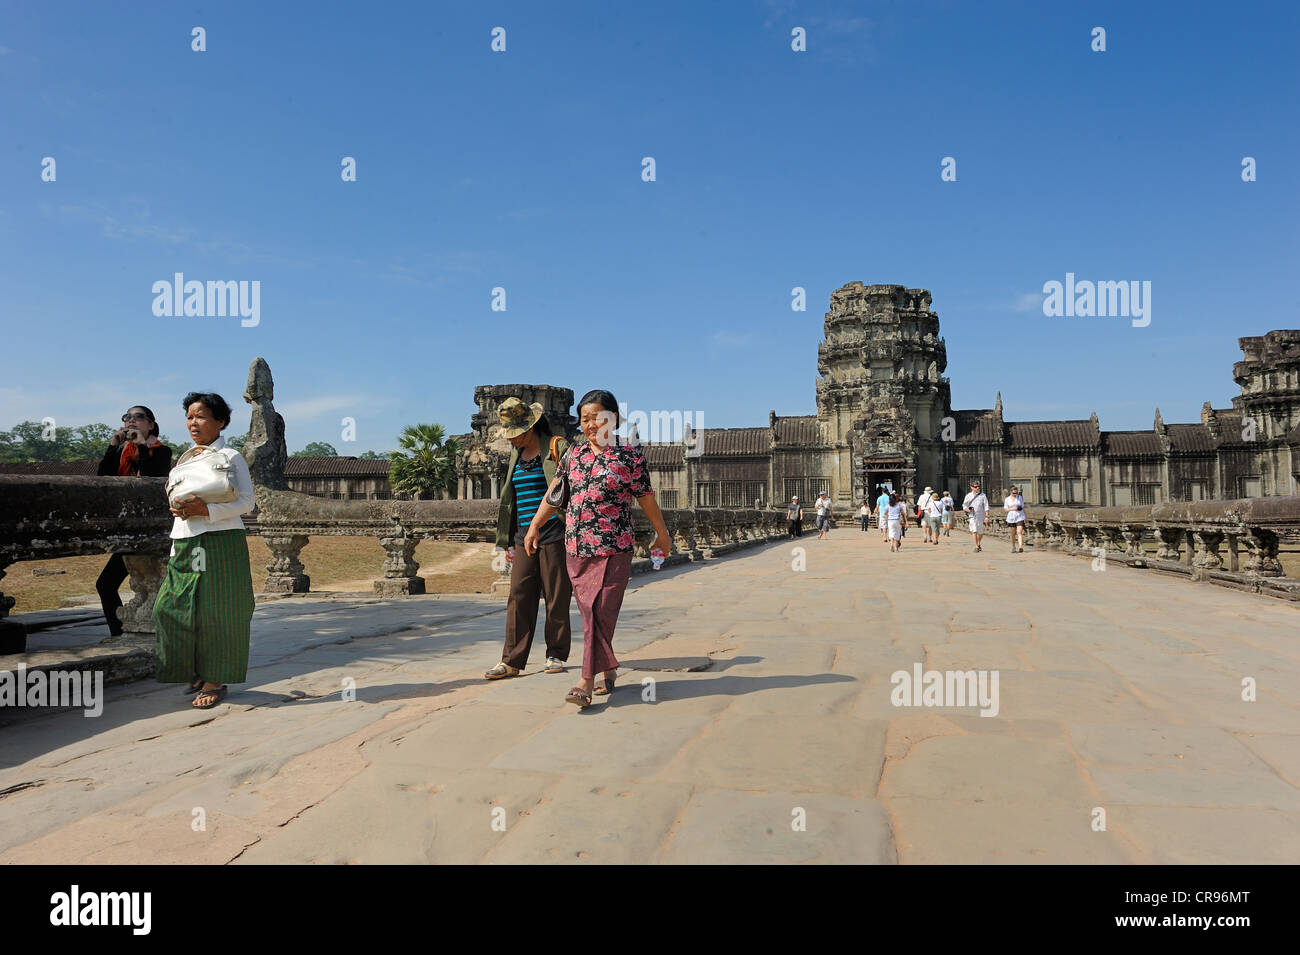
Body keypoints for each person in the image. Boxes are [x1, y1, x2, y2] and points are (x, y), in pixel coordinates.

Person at [524, 389, 670, 710]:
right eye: (585, 419)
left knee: (600, 612)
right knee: (591, 613)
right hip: (577, 547)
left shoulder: (629, 457)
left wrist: (662, 534)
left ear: (613, 419)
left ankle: (584, 681)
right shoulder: (573, 455)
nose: (590, 425)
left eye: (598, 417)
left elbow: (646, 498)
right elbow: (555, 494)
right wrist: (535, 526)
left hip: (615, 547)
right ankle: (608, 667)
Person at [152, 393, 255, 709]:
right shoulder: (184, 461)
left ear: (220, 422)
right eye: (189, 416)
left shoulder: (231, 457)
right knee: (167, 609)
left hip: (221, 542)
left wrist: (206, 511)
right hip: (184, 542)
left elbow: (247, 503)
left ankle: (214, 680)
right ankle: (194, 670)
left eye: (200, 416)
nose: (193, 423)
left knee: (219, 613)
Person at [485, 398, 573, 680]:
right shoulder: (516, 454)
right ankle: (511, 660)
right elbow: (512, 499)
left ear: (531, 427)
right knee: (518, 595)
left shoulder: (556, 447)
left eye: (515, 434)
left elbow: (570, 487)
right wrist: (507, 539)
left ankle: (556, 654)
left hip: (555, 533)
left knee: (556, 596)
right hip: (525, 535)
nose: (511, 440)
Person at [95, 406, 173, 636]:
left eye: (138, 417)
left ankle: (170, 633)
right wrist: (113, 446)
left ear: (150, 424)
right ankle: (119, 633)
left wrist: (140, 445)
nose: (131, 421)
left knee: (159, 585)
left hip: (155, 531)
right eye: (127, 417)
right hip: (129, 529)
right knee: (105, 584)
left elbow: (153, 477)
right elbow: (102, 479)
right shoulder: (122, 453)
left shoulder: (161, 451)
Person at [962, 481, 990, 553]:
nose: (977, 488)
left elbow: (986, 506)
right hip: (972, 516)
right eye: (975, 487)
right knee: (974, 531)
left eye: (978, 486)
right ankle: (976, 546)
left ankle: (978, 543)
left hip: (981, 516)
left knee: (980, 532)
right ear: (971, 487)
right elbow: (964, 505)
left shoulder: (983, 495)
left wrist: (987, 516)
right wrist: (967, 510)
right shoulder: (968, 496)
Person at [1004, 484, 1027, 553]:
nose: (1015, 494)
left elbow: (1023, 507)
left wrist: (1026, 517)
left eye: (1016, 493)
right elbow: (1005, 510)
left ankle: (1020, 547)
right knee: (1013, 533)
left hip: (1020, 516)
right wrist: (1013, 508)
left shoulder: (1019, 497)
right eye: (1014, 493)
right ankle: (1013, 546)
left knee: (1019, 532)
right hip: (1011, 517)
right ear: (1011, 492)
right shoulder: (1007, 499)